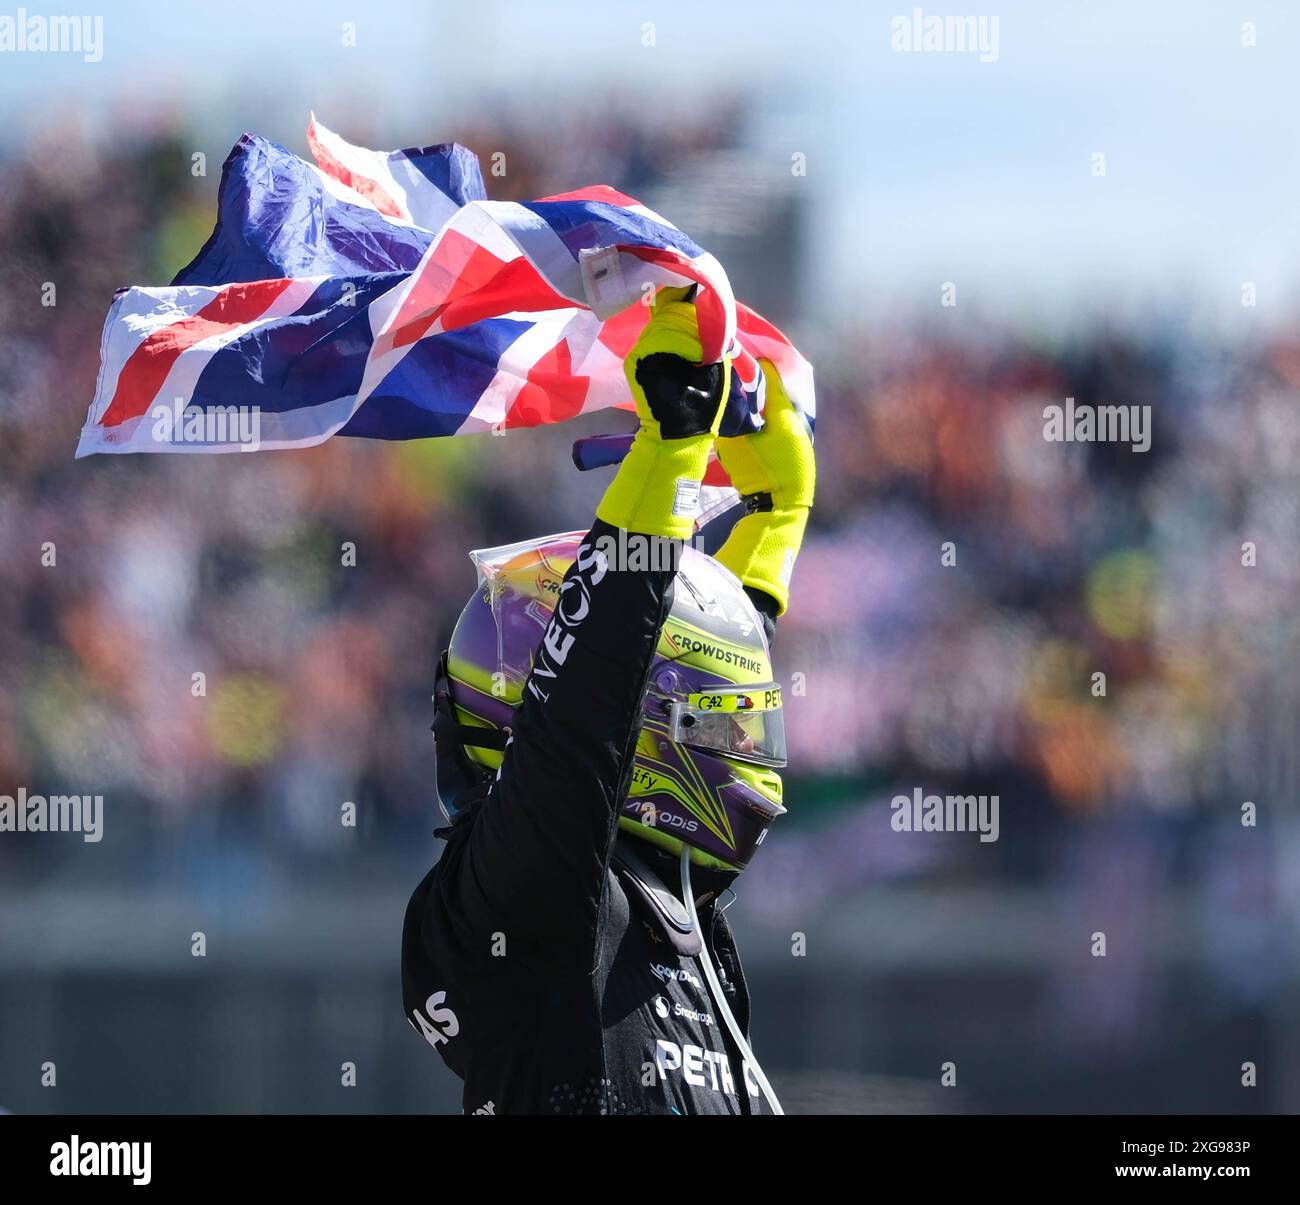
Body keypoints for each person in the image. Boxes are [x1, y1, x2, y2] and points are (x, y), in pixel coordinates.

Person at [401, 287, 815, 1114]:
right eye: (718, 713)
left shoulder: (671, 914)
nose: (743, 728)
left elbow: (691, 639)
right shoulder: (521, 901)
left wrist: (775, 516)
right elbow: (583, 716)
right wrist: (668, 450)